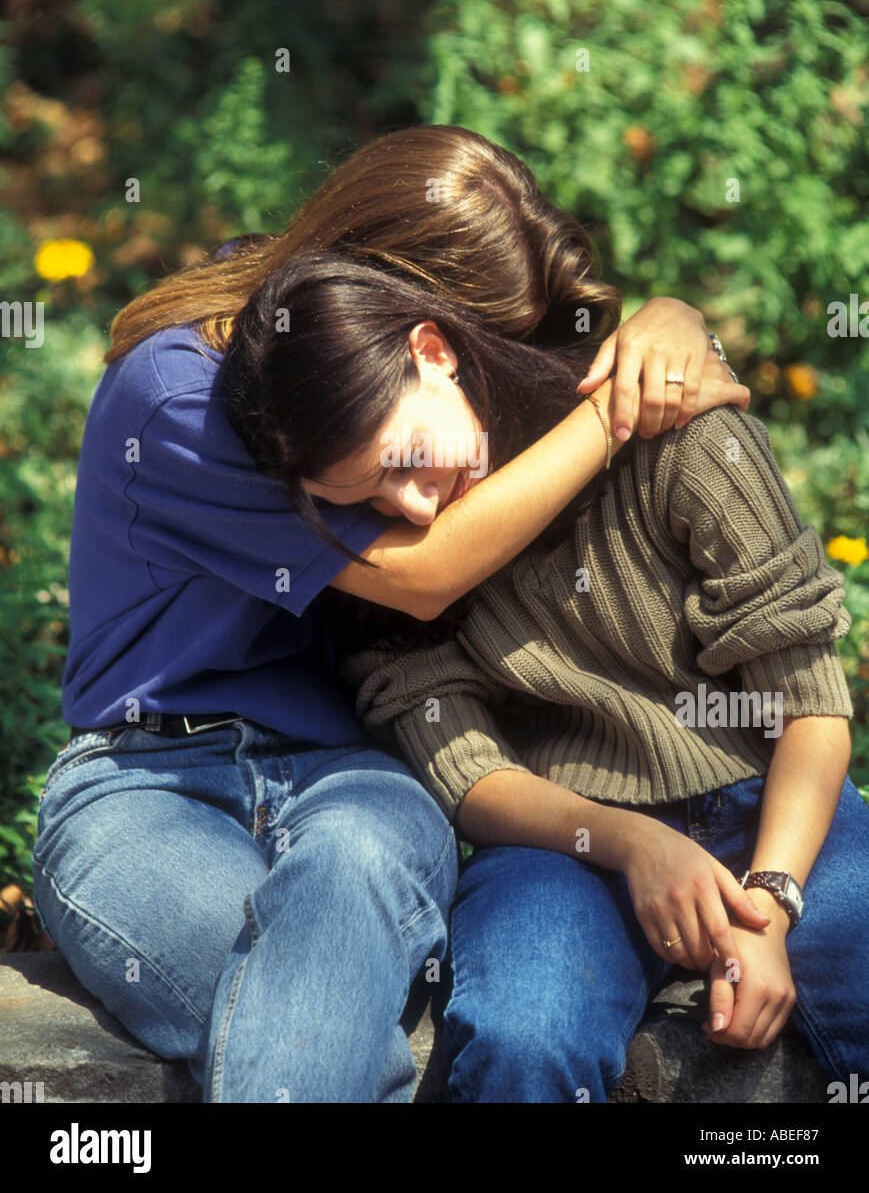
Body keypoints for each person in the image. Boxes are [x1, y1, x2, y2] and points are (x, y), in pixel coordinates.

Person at [31, 125, 746, 1102]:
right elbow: (425, 571)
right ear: (394, 304)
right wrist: (611, 411)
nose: (483, 374)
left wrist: (665, 322)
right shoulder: (196, 397)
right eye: (470, 340)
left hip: (351, 778)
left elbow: (565, 366)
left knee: (337, 919)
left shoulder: (344, 345)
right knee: (319, 996)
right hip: (146, 779)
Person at [223, 244, 868, 1105]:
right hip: (558, 844)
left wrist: (770, 901)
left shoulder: (684, 435)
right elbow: (471, 775)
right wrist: (635, 842)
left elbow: (810, 707)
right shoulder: (380, 579)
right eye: (368, 499)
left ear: (432, 350)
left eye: (404, 458)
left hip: (772, 803)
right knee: (520, 1036)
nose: (413, 511)